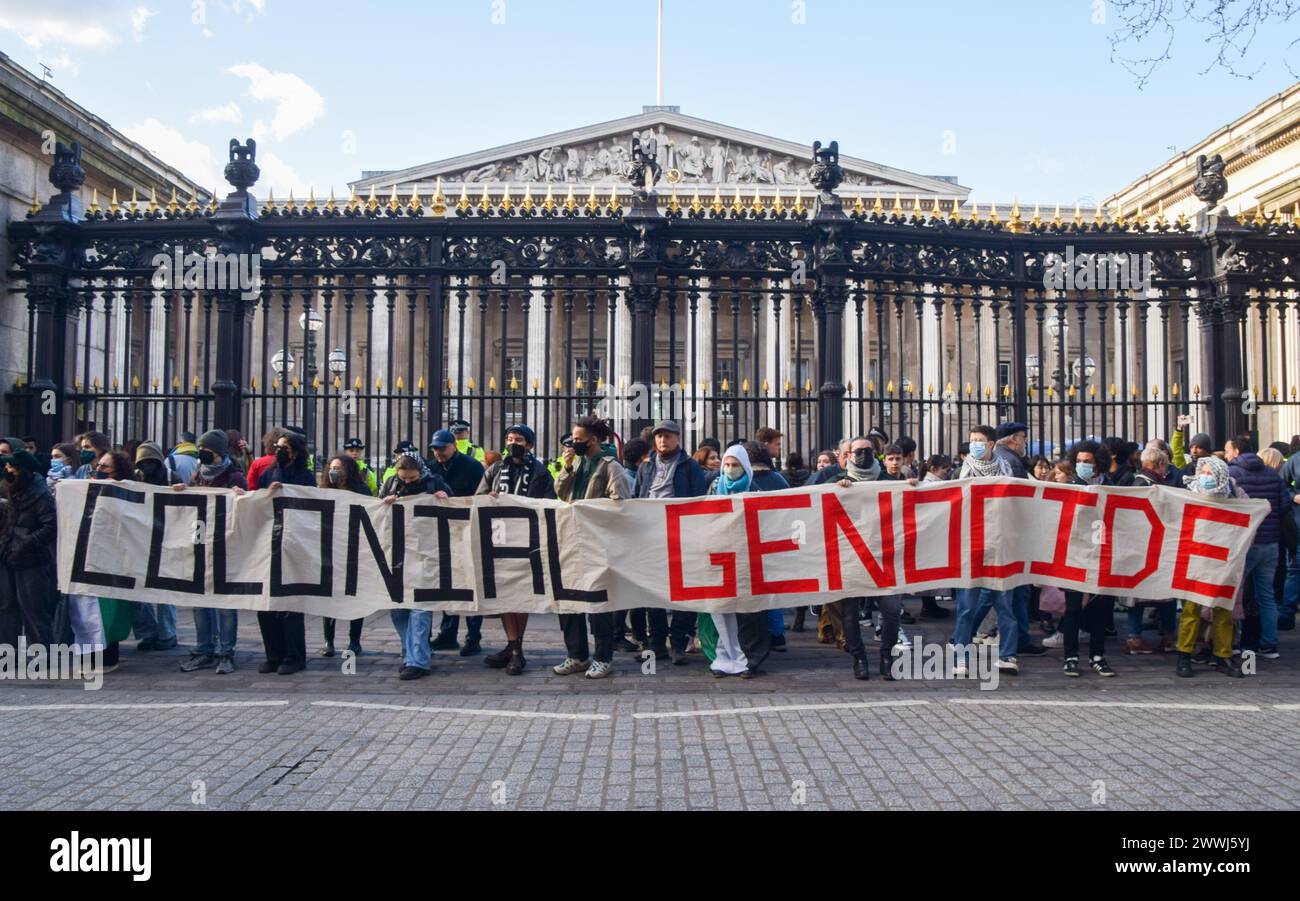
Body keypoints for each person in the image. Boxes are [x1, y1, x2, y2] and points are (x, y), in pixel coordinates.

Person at [552, 415, 629, 679]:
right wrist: (567, 468)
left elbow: (621, 503)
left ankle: (603, 657)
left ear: (593, 440)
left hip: (598, 544)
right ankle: (577, 655)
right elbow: (560, 494)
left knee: (598, 604)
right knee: (569, 600)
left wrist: (591, 511)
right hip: (572, 541)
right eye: (572, 440)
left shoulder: (610, 466)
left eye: (578, 440)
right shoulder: (576, 463)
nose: (573, 444)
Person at [478, 424, 556, 675]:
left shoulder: (539, 470)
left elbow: (547, 502)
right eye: (510, 438)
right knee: (503, 595)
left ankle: (517, 648)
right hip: (498, 538)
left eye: (519, 439)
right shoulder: (495, 469)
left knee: (520, 595)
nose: (513, 443)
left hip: (526, 539)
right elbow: (477, 497)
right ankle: (513, 647)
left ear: (529, 444)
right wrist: (488, 497)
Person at [635, 420, 710, 664]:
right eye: (658, 437)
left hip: (681, 535)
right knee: (651, 592)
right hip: (650, 536)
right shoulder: (646, 467)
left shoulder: (689, 467)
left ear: (677, 439)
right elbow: (638, 496)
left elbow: (699, 499)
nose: (662, 441)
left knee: (683, 592)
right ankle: (657, 643)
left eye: (667, 436)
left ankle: (678, 642)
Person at [172, 430, 247, 674]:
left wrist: (241, 498)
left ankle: (226, 651)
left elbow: (245, 511)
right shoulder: (197, 476)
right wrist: (183, 493)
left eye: (207, 450)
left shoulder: (234, 476)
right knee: (199, 601)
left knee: (224, 602)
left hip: (225, 545)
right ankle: (204, 648)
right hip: (199, 542)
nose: (202, 453)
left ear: (219, 452)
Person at [952, 425, 1022, 675]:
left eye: (980, 440)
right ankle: (961, 656)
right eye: (972, 440)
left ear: (992, 444)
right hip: (971, 545)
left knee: (1004, 604)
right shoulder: (960, 472)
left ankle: (1008, 655)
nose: (975, 444)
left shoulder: (1007, 469)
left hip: (1000, 544)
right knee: (967, 605)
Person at [697, 445, 772, 679]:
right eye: (727, 465)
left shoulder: (754, 490)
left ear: (745, 466)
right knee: (722, 610)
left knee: (749, 612)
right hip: (720, 558)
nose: (730, 470)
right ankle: (724, 657)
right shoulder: (713, 487)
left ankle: (750, 658)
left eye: (735, 465)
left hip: (748, 559)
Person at [830, 435, 900, 680]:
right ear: (848, 456)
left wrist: (914, 488)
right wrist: (836, 491)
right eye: (858, 451)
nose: (863, 455)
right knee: (850, 614)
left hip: (884, 556)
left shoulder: (887, 480)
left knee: (892, 611)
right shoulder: (837, 481)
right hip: (851, 557)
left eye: (868, 450)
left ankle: (887, 656)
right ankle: (858, 657)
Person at [381, 453, 450, 680]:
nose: (408, 482)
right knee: (399, 608)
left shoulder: (434, 482)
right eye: (404, 479)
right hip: (398, 553)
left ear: (421, 472)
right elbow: (376, 511)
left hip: (426, 553)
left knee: (421, 607)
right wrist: (385, 502)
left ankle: (417, 660)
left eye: (412, 478)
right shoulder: (391, 482)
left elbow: (455, 505)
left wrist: (445, 496)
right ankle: (409, 650)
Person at [1175, 455, 1245, 678]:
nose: (1205, 477)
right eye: (1202, 473)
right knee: (1191, 611)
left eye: (1210, 474)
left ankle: (1222, 655)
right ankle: (1184, 655)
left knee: (1223, 610)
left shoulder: (1234, 495)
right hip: (1196, 560)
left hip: (1223, 561)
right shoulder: (1189, 495)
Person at [253, 431, 315, 675]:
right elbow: (255, 501)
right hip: (269, 542)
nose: (278, 451)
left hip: (295, 544)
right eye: (277, 446)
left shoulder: (305, 477)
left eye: (284, 448)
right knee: (266, 605)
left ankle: (294, 656)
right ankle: (273, 654)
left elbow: (311, 507)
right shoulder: (268, 473)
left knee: (290, 606)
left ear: (295, 452)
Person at [427, 428, 487, 655]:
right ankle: (448, 633)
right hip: (442, 533)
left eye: (442, 448)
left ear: (453, 445)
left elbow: (480, 496)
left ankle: (473, 637)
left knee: (472, 584)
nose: (438, 452)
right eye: (435, 448)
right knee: (447, 585)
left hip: (468, 530)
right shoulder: (430, 467)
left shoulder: (471, 466)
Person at [1225, 433, 1283, 660]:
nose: (1227, 455)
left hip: (1245, 542)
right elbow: (1283, 506)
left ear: (1237, 451)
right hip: (1270, 542)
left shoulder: (1233, 474)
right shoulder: (1272, 475)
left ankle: (1235, 641)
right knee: (1266, 595)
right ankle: (1269, 643)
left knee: (1235, 593)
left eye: (1228, 450)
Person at [0, 444, 57, 652]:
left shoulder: (40, 494)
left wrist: (25, 543)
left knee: (33, 609)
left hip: (32, 560)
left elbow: (50, 526)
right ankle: (6, 654)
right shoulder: (10, 489)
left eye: (13, 467)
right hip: (8, 555)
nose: (9, 470)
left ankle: (43, 653)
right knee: (6, 608)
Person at [1124, 447, 1178, 655]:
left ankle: (1136, 636)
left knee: (1139, 596)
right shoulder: (1149, 485)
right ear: (1158, 465)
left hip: (1143, 548)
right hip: (1151, 548)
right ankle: (1163, 636)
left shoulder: (1140, 483)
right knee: (1164, 595)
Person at [129, 442, 181, 652]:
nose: (147, 466)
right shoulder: (135, 477)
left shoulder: (172, 477)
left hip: (167, 538)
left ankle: (166, 634)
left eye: (151, 462)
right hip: (141, 538)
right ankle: (149, 632)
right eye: (143, 462)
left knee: (165, 590)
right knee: (137, 591)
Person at [319, 455, 369, 658]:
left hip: (354, 549)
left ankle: (354, 640)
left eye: (338, 468)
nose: (334, 472)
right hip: (330, 549)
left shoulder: (361, 490)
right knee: (329, 598)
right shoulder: (323, 490)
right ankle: (328, 640)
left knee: (355, 598)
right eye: (332, 468)